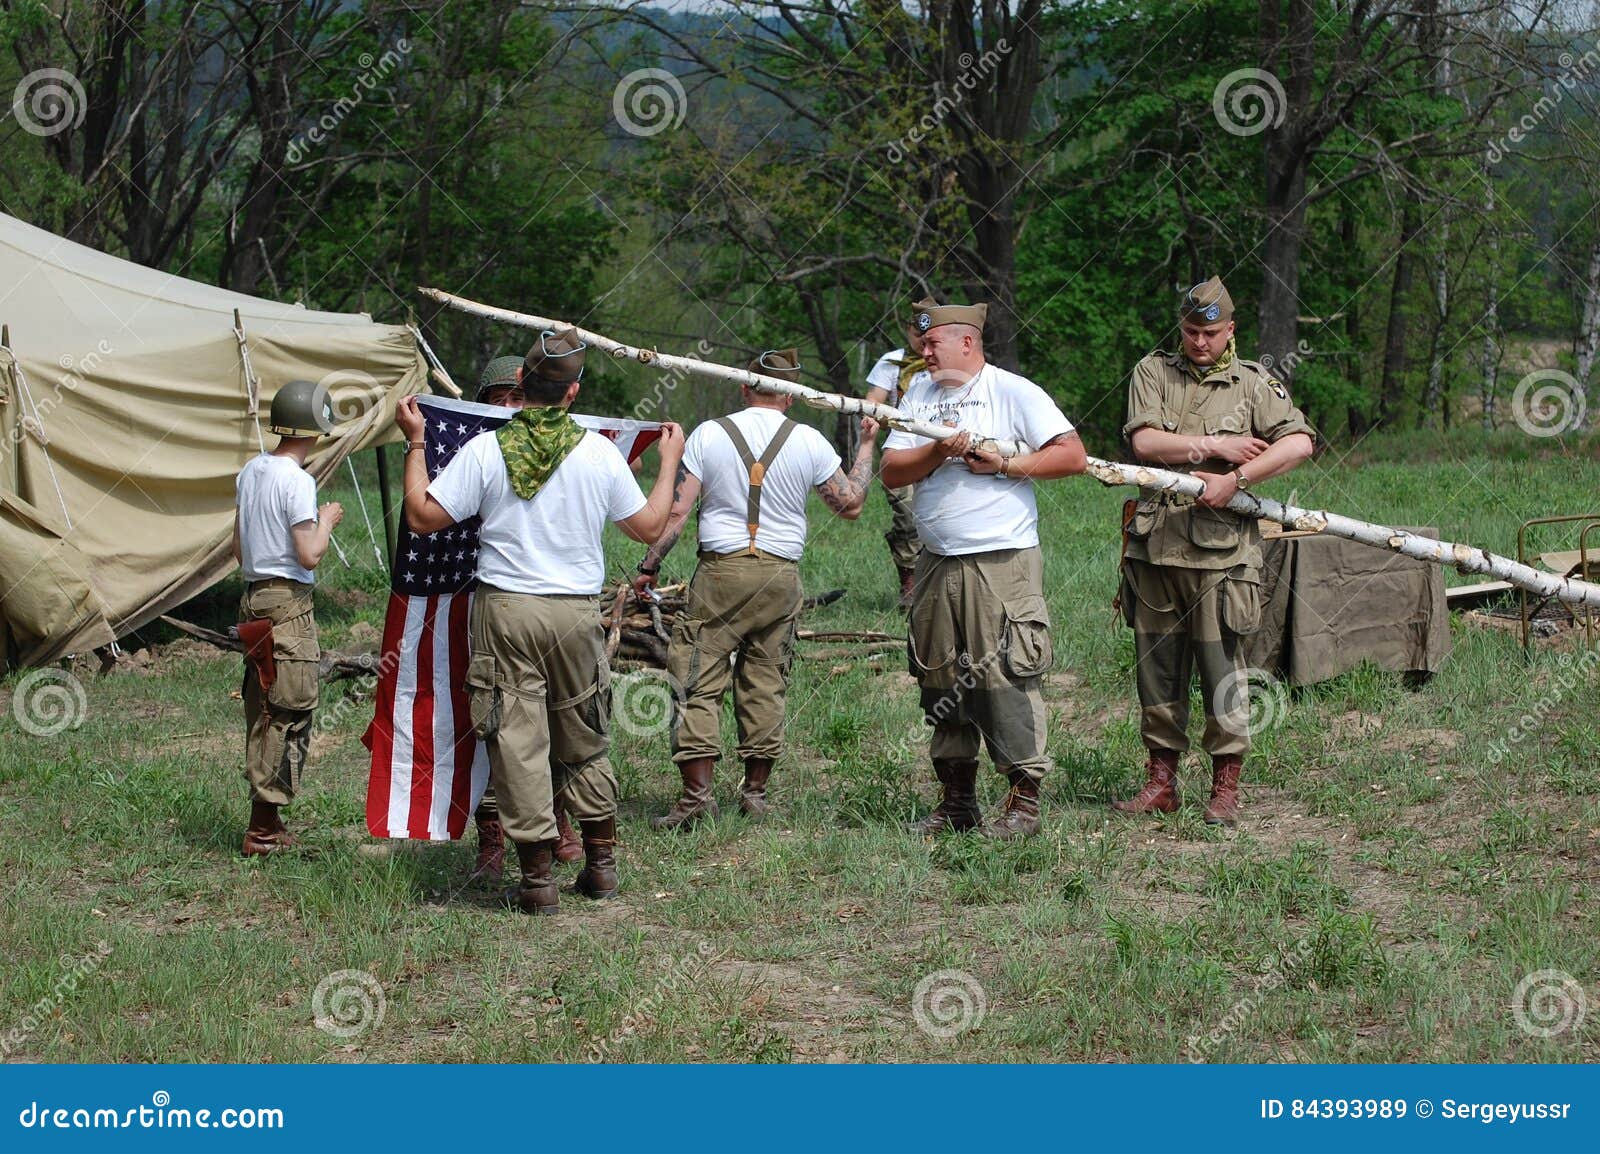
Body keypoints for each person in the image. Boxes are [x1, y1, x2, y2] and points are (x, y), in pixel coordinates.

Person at [396, 328, 685, 914]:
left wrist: (416, 445)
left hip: (505, 611)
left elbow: (424, 518)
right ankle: (600, 865)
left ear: (521, 386)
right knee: (584, 734)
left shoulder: (483, 450)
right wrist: (669, 462)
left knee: (518, 740)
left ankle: (535, 881)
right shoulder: (599, 453)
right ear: (573, 391)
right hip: (574, 614)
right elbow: (651, 527)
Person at [635, 349, 878, 828]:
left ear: (744, 387)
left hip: (720, 575)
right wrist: (868, 446)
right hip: (779, 578)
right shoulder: (808, 440)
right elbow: (849, 506)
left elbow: (679, 513)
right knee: (766, 682)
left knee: (697, 681)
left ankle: (696, 797)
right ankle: (756, 794)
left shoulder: (710, 432)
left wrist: (649, 565)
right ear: (790, 396)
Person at [880, 303, 1087, 839]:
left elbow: (1071, 457)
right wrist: (935, 452)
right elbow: (890, 471)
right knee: (939, 675)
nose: (923, 354)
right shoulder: (919, 394)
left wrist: (1004, 464)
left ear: (966, 343)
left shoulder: (1013, 391)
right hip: (935, 561)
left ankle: (1023, 802)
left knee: (1005, 674)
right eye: (921, 346)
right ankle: (957, 802)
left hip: (1002, 558)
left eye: (933, 346)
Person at [1113, 276, 1315, 825]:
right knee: (1156, 672)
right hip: (1155, 548)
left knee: (1224, 672)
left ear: (1230, 331)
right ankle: (1161, 783)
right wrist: (1215, 446)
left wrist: (1238, 476)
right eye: (1190, 331)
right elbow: (1145, 442)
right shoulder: (1152, 371)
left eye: (1209, 332)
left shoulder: (1253, 384)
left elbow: (1299, 443)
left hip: (1221, 557)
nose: (1199, 342)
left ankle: (1224, 790)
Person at [464, 356, 583, 884]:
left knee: (561, 720)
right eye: (499, 402)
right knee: (501, 725)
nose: (510, 411)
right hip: (486, 595)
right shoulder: (478, 449)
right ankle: (492, 830)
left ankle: (559, 819)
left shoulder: (569, 444)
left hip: (553, 597)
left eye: (517, 400)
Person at [232, 379, 344, 856]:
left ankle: (268, 822)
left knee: (264, 707)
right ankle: (261, 829)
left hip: (253, 600)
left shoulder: (250, 471)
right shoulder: (297, 481)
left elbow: (239, 549)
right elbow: (310, 554)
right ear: (315, 427)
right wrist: (328, 520)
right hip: (288, 607)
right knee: (288, 711)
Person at [863, 300, 936, 607]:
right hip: (903, 450)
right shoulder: (891, 363)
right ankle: (909, 581)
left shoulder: (950, 365)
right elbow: (873, 404)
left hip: (942, 452)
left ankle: (936, 584)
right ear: (909, 330)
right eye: (917, 333)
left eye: (930, 333)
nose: (923, 341)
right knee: (907, 517)